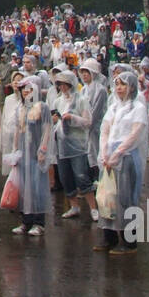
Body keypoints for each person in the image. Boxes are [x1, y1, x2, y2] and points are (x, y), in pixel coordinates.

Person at [96, 70, 147, 254]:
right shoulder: (114, 107)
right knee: (107, 196)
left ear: (131, 86)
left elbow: (135, 134)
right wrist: (104, 152)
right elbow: (105, 130)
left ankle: (129, 240)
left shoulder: (138, 108)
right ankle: (108, 236)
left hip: (126, 157)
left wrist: (117, 153)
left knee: (125, 198)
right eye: (117, 84)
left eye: (123, 84)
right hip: (109, 156)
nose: (119, 88)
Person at [51, 70, 99, 222]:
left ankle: (93, 208)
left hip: (77, 144)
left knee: (81, 176)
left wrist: (72, 117)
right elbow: (54, 120)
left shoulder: (81, 100)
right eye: (60, 85)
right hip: (62, 144)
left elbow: (87, 122)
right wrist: (55, 120)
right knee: (66, 177)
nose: (63, 88)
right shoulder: (58, 101)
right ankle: (74, 206)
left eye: (65, 84)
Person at [7, 75, 51, 236]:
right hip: (23, 153)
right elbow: (18, 130)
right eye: (24, 89)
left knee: (37, 187)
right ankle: (26, 220)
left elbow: (47, 129)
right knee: (24, 187)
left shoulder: (42, 107)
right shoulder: (21, 108)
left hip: (35, 153)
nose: (26, 92)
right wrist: (14, 150)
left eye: (29, 89)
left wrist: (43, 148)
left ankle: (39, 222)